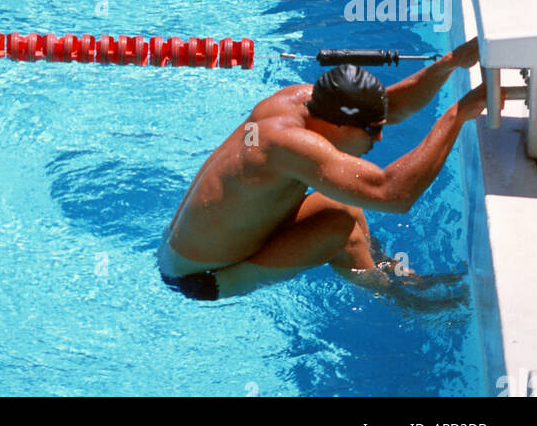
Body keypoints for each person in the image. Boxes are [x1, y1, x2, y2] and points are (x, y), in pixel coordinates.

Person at [157, 45, 485, 301]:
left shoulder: (302, 101)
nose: (380, 137)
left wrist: (450, 63)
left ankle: (401, 277)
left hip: (192, 249)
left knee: (342, 206)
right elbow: (394, 195)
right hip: (203, 276)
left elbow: (390, 107)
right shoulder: (287, 144)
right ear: (338, 125)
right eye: (371, 130)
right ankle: (408, 302)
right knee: (340, 230)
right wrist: (456, 115)